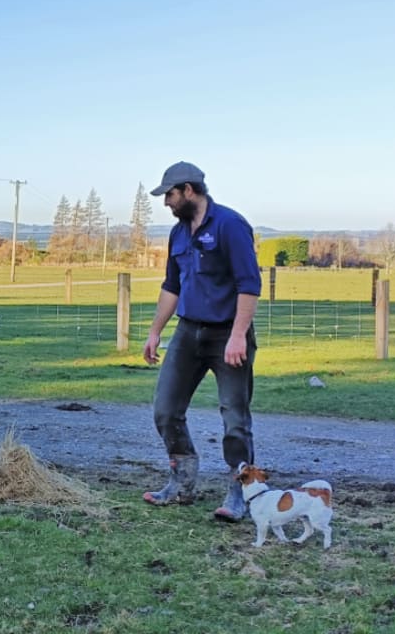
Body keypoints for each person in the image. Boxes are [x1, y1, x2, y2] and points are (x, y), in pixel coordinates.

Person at [140, 161, 261, 522]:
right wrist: (155, 331)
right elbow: (172, 286)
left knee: (235, 418)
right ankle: (182, 482)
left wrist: (238, 336)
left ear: (189, 191)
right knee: (165, 410)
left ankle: (240, 493)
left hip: (228, 335)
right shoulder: (178, 234)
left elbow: (249, 284)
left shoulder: (230, 225)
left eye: (170, 195)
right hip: (188, 333)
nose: (166, 203)